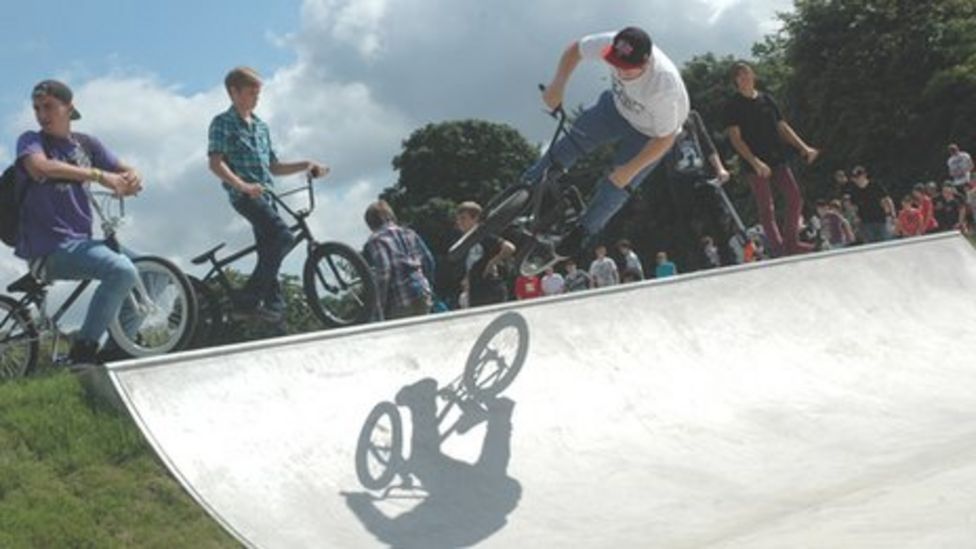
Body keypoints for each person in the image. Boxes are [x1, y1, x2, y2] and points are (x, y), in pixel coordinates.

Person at [524, 26, 688, 266]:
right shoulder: (611, 42)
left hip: (652, 134)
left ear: (645, 63)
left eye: (627, 69)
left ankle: (582, 232)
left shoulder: (663, 85)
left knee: (618, 184)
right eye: (615, 64)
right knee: (573, 140)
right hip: (616, 109)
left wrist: (630, 170)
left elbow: (666, 138)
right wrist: (557, 85)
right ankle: (526, 186)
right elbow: (575, 50)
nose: (620, 72)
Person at [14, 80, 143, 365]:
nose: (41, 114)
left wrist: (132, 176)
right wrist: (99, 176)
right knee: (121, 270)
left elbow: (124, 169)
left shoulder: (87, 144)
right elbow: (40, 167)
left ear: (68, 108)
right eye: (37, 108)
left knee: (153, 270)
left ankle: (117, 349)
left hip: (82, 243)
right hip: (48, 250)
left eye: (48, 106)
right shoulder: (31, 141)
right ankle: (83, 352)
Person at [207, 66, 328, 323]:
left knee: (269, 250)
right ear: (234, 92)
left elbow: (274, 166)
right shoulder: (222, 123)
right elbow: (216, 163)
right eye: (251, 92)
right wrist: (242, 185)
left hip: (267, 196)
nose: (256, 97)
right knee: (283, 237)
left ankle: (273, 308)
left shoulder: (261, 126)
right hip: (245, 196)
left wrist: (306, 164)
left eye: (258, 92)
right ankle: (247, 299)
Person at [725, 61, 819, 257]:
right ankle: (778, 248)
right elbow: (736, 138)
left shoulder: (767, 100)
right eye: (740, 76)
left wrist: (804, 147)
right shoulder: (733, 105)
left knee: (794, 197)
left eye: (748, 74)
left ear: (753, 76)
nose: (745, 78)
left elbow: (782, 127)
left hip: (777, 157)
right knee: (766, 207)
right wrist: (754, 162)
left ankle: (791, 243)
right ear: (735, 81)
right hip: (755, 163)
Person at [663, 110, 735, 271]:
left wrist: (720, 168)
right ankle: (698, 261)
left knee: (718, 213)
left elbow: (706, 143)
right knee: (688, 222)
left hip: (701, 173)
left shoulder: (693, 116)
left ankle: (727, 256)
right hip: (679, 178)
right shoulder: (661, 118)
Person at [362, 200, 435, 320]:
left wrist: (379, 306)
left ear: (370, 224)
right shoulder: (409, 233)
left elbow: (384, 272)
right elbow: (428, 260)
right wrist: (428, 286)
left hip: (399, 299)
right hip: (422, 292)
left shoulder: (376, 240)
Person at [454, 201, 515, 308]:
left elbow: (509, 247)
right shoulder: (466, 241)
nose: (459, 222)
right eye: (458, 219)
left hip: (490, 289)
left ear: (475, 218)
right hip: (475, 290)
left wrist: (492, 263)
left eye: (463, 218)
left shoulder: (484, 236)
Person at [845, 166, 894, 243]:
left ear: (864, 175)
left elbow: (886, 199)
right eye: (855, 178)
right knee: (870, 245)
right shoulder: (854, 191)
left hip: (880, 219)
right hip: (865, 222)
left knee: (885, 242)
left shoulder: (875, 186)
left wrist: (891, 214)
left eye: (858, 177)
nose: (857, 180)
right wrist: (854, 217)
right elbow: (853, 206)